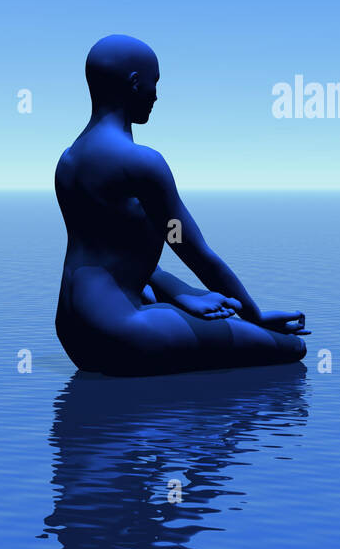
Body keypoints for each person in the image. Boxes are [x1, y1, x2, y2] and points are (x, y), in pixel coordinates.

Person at [55, 35, 308, 376]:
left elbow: (114, 256)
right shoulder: (140, 163)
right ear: (133, 84)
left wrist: (183, 292)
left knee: (168, 298)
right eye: (153, 83)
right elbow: (192, 251)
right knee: (290, 347)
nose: (156, 96)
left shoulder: (69, 161)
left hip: (75, 335)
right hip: (119, 334)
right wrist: (255, 314)